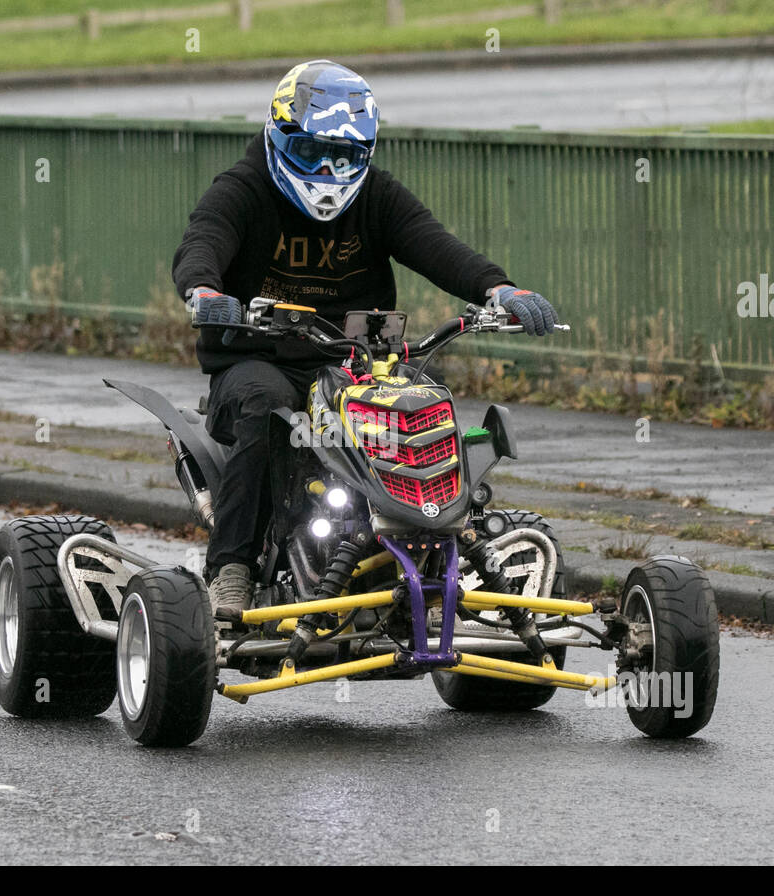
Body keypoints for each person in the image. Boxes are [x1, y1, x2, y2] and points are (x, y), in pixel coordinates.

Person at [172, 59, 561, 613]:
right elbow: (203, 239)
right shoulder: (246, 186)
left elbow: (435, 245)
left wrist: (499, 290)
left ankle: (444, 550)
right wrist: (204, 292)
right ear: (280, 136)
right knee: (265, 407)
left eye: (347, 157)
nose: (330, 171)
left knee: (424, 400)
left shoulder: (376, 195)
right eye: (313, 153)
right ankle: (231, 567)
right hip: (262, 357)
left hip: (359, 362)